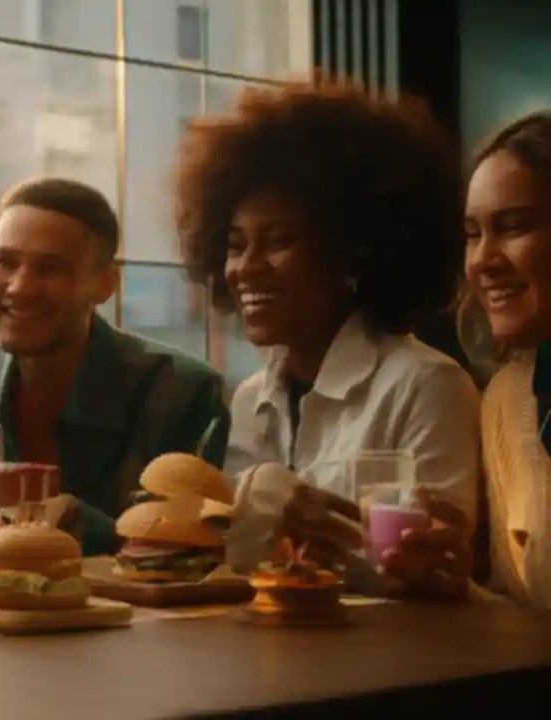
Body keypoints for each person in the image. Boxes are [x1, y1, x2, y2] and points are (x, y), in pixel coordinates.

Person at [175, 80, 482, 578]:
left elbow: (434, 572)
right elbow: (239, 562)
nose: (246, 268)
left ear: (351, 253)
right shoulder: (253, 398)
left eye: (278, 241)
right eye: (234, 245)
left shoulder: (425, 386)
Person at [0, 177, 231, 557]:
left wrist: (76, 523)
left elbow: (195, 553)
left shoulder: (183, 393)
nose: (20, 287)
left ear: (104, 285)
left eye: (50, 268)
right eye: (5, 262)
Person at [422, 110, 551, 609]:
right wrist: (456, 588)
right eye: (473, 234)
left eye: (514, 227)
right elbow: (529, 611)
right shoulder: (507, 399)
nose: (483, 261)